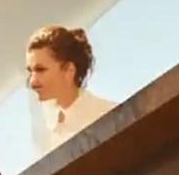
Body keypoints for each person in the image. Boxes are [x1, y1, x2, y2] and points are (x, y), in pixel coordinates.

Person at [26, 25, 117, 156]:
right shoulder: (48, 136)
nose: (32, 82)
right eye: (31, 72)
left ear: (69, 70)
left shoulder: (110, 117)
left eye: (41, 70)